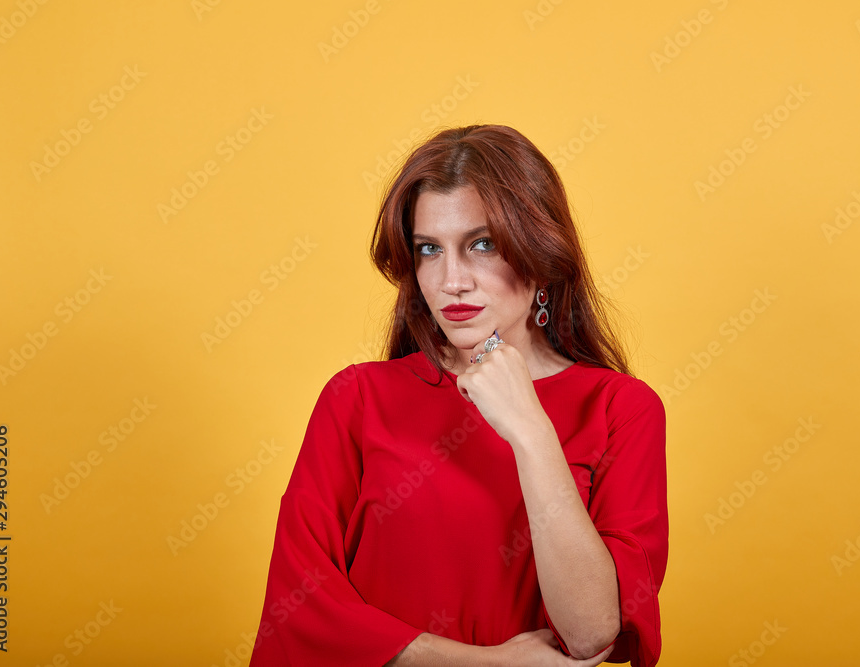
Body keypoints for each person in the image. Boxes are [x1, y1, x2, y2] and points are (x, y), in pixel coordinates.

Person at [248, 124, 668, 666]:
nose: (451, 281)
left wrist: (530, 431)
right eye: (429, 249)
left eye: (482, 245)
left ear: (540, 253)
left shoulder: (621, 409)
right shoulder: (357, 398)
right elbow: (300, 607)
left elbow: (592, 631)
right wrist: (491, 664)